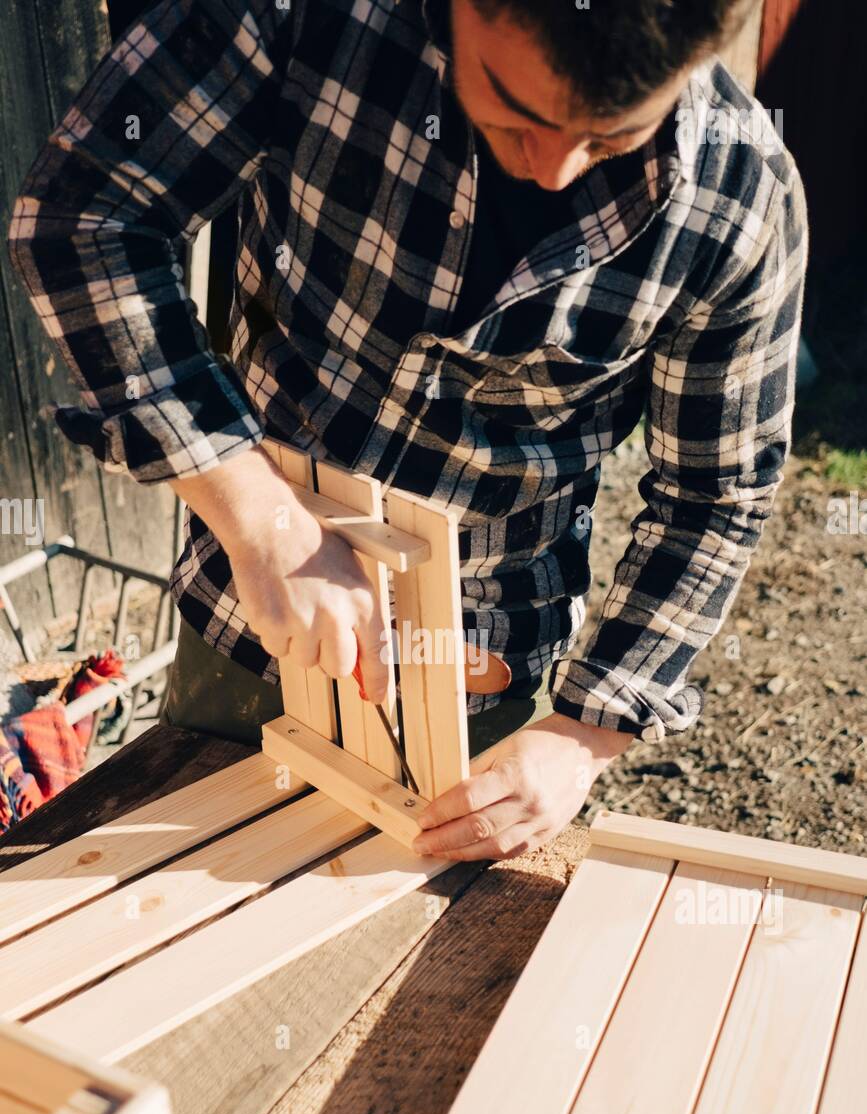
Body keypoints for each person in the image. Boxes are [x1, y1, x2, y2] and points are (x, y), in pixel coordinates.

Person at [8, 0, 807, 861]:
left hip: (486, 678)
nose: (554, 170)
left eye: (610, 139)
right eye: (514, 108)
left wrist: (582, 737)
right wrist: (255, 513)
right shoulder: (314, 20)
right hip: (250, 625)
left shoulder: (739, 202)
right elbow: (85, 221)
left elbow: (714, 494)